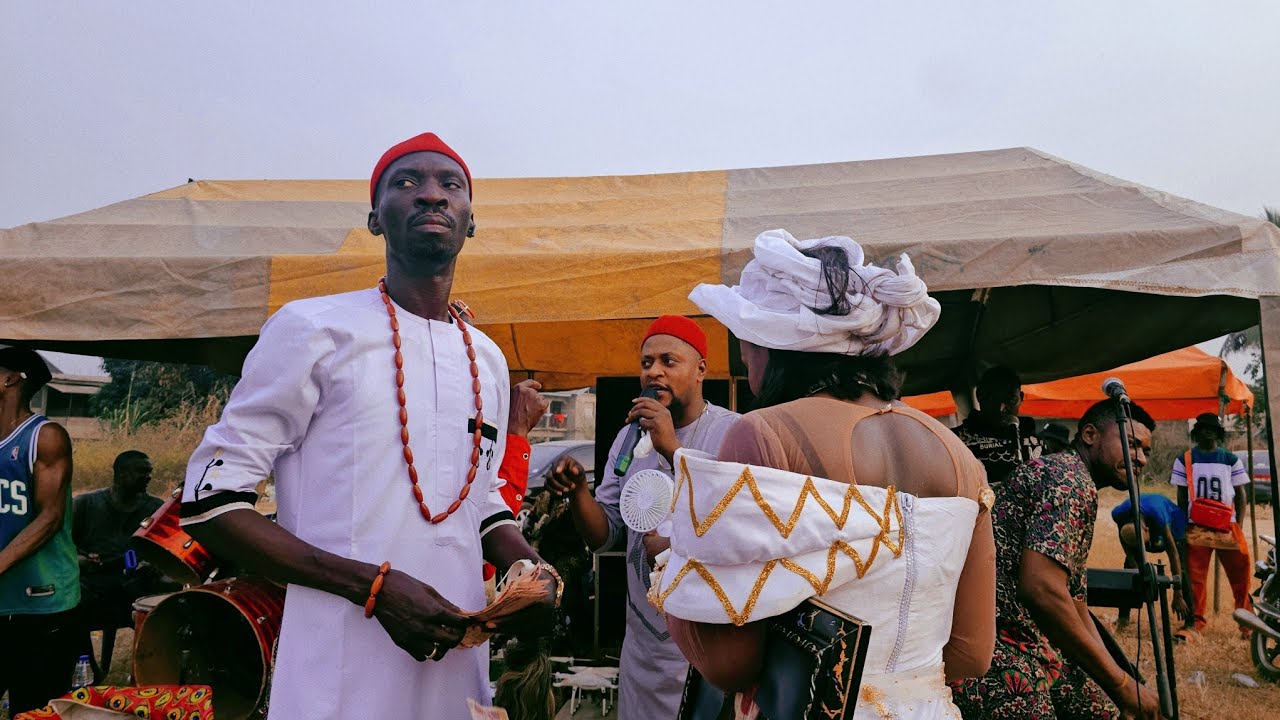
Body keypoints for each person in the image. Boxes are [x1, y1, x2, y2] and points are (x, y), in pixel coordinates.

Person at [179, 133, 560, 719]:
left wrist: (529, 568)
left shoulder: (485, 356)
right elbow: (211, 499)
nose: (431, 195)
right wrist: (375, 589)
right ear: (375, 218)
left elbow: (479, 502)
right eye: (406, 182)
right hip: (340, 670)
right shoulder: (313, 328)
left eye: (449, 184)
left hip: (456, 665)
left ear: (470, 221)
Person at [654, 229, 995, 719]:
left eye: (746, 343)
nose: (745, 356)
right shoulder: (961, 457)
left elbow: (730, 662)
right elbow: (971, 653)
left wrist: (673, 570)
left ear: (771, 346)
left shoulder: (762, 436)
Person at [544, 315, 739, 720]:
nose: (655, 371)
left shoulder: (733, 434)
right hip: (644, 649)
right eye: (647, 362)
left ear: (701, 369)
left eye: (669, 361)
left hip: (708, 648)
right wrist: (580, 492)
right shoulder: (629, 437)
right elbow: (606, 537)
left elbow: (735, 528)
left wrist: (671, 447)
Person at [951, 399, 1164, 720]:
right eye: (1131, 444)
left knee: (1100, 709)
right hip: (996, 649)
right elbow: (1042, 591)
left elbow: (1075, 604)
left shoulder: (1067, 476)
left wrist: (1119, 679)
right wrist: (1120, 684)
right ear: (1090, 435)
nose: (1141, 459)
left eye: (1146, 451)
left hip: (1029, 643)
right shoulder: (1069, 482)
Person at [0, 347, 79, 714]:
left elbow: (49, 518)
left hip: (40, 602)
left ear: (9, 378)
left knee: (33, 710)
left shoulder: (44, 437)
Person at [73, 450, 173, 678]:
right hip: (94, 583)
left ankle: (158, 668)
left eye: (149, 472)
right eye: (141, 472)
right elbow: (63, 549)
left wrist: (153, 563)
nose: (148, 477)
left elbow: (167, 551)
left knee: (175, 592)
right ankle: (89, 668)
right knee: (73, 600)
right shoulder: (86, 505)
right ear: (120, 474)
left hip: (138, 583)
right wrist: (82, 560)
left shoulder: (156, 509)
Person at [1171, 412, 1252, 635]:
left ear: (1219, 432)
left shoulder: (1230, 459)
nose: (1208, 432)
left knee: (1241, 574)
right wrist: (1182, 524)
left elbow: (1241, 494)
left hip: (1227, 523)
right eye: (1203, 428)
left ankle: (1247, 624)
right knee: (1195, 576)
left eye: (1213, 428)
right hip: (1196, 524)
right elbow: (1181, 496)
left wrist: (1240, 526)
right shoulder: (1185, 458)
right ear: (1196, 433)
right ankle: (1195, 622)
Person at [1109, 493, 1194, 640]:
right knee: (1128, 568)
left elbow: (1173, 555)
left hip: (1174, 521)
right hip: (1142, 520)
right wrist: (1135, 566)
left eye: (1145, 544)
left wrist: (1178, 592)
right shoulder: (1118, 514)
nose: (1147, 548)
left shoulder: (1159, 517)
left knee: (1182, 568)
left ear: (1147, 530)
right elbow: (1123, 539)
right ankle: (1123, 617)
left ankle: (1190, 623)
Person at [953, 365, 1043, 487]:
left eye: (1011, 400)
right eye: (994, 399)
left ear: (1021, 398)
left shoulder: (1037, 441)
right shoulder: (955, 442)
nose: (1002, 408)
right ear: (980, 396)